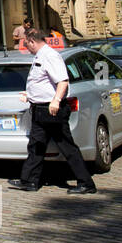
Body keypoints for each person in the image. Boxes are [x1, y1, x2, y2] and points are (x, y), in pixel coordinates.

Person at [9, 28, 98, 195]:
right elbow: (43, 83)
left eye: (26, 43)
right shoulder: (40, 56)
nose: (26, 47)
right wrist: (29, 95)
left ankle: (86, 183)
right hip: (39, 109)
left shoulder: (50, 56)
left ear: (33, 41)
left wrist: (56, 101)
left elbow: (62, 81)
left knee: (66, 146)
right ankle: (29, 181)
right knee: (36, 146)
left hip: (51, 110)